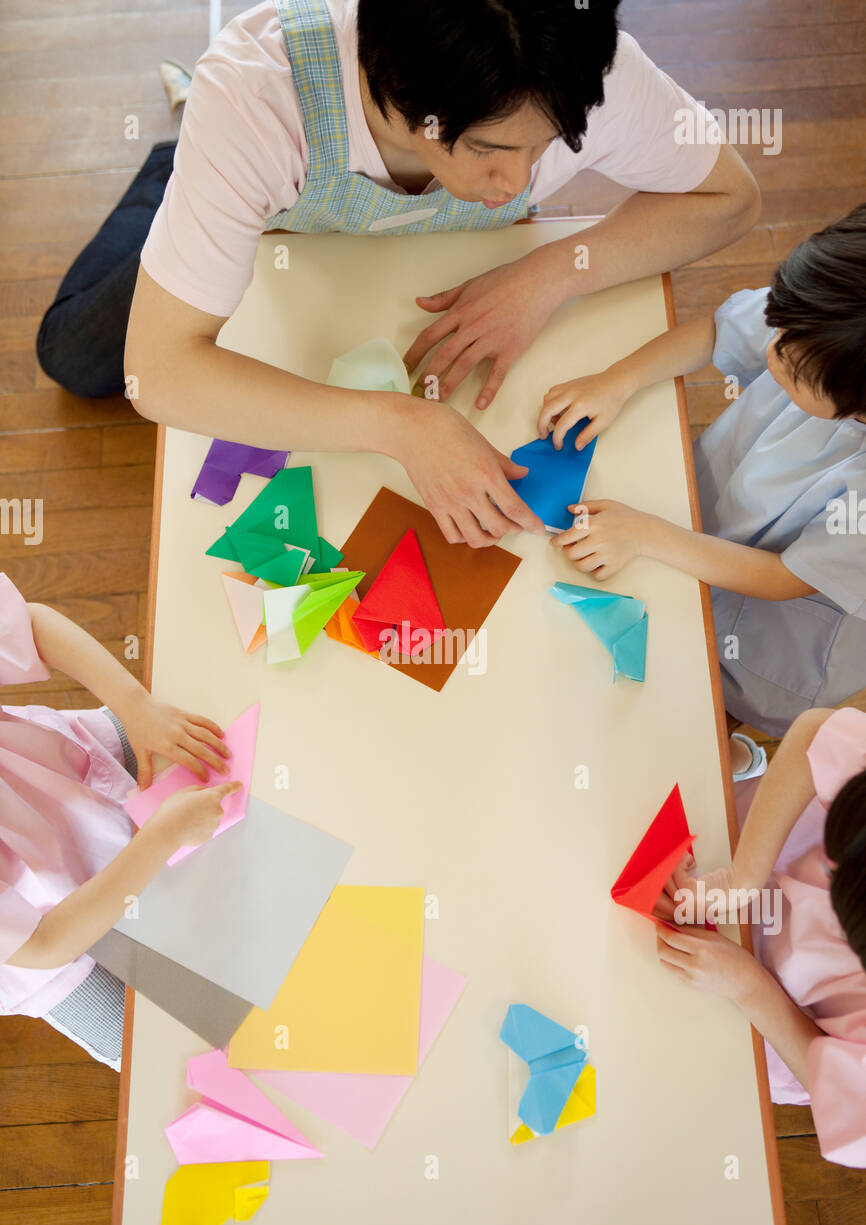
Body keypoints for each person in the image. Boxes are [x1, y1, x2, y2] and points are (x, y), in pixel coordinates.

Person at [36, 0, 760, 549]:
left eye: (547, 147)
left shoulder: (575, 62)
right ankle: (180, 172)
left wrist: (551, 275)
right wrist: (404, 427)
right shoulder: (257, 94)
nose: (518, 181)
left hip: (398, 244)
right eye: (489, 150)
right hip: (274, 219)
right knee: (74, 357)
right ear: (404, 98)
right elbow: (158, 373)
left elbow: (731, 197)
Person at [539, 203, 866, 763]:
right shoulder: (824, 318)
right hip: (703, 528)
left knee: (697, 706)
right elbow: (721, 331)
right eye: (781, 327)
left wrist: (649, 536)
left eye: (794, 368)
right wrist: (617, 381)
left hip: (778, 624)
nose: (771, 349)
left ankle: (733, 753)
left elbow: (786, 579)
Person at [0, 573, 236, 1069]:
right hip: (58, 949)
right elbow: (44, 942)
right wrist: (162, 837)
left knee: (222, 727)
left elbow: (32, 625)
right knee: (177, 1059)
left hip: (75, 766)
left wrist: (137, 707)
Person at [654, 706, 866, 1169]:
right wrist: (741, 881)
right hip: (757, 837)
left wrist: (746, 982)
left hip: (763, 1017)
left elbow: (830, 1081)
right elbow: (817, 734)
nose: (829, 872)